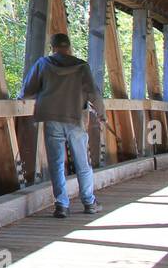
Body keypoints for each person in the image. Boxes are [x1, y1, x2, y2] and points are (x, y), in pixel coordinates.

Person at [19, 33, 105, 218]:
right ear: (69, 47)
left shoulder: (43, 64)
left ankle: (61, 205)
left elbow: (27, 90)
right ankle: (89, 202)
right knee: (83, 163)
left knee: (56, 163)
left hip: (51, 118)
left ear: (53, 47)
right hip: (75, 118)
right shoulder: (81, 67)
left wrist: (22, 98)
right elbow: (93, 93)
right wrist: (101, 114)